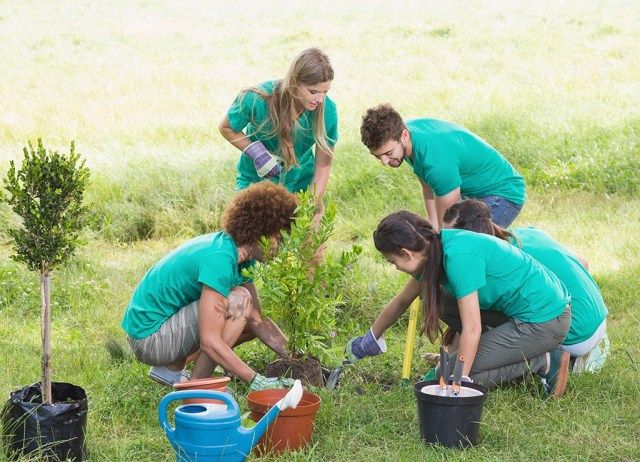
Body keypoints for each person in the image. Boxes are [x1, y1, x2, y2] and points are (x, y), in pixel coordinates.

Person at [346, 210, 572, 397]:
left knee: (445, 379)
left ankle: (542, 361)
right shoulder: (433, 250)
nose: (395, 267)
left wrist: (459, 376)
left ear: (406, 253)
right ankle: (496, 350)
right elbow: (401, 301)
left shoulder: (458, 259)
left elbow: (472, 327)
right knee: (431, 296)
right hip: (519, 312)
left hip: (545, 320)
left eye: (392, 261)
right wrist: (371, 337)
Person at [121, 182, 297, 391]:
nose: (281, 247)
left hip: (162, 329)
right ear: (261, 230)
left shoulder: (240, 255)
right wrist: (256, 380)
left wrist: (297, 357)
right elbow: (209, 340)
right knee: (239, 300)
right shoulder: (220, 259)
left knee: (248, 318)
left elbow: (257, 320)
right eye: (278, 238)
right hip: (149, 338)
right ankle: (197, 386)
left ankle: (171, 370)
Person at [442, 199, 609, 373]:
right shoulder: (526, 233)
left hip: (571, 333)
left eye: (452, 237)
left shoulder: (499, 264)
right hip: (598, 320)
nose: (447, 244)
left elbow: (470, 315)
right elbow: (583, 262)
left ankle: (546, 360)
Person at [359, 104, 525, 230]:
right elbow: (427, 183)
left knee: (465, 247)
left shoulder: (436, 162)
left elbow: (449, 228)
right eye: (377, 156)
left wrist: (440, 236)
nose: (384, 162)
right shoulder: (408, 138)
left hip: (503, 194)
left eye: (388, 153)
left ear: (403, 136)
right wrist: (432, 224)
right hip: (472, 193)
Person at [219, 47, 338, 215]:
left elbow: (323, 165)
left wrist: (309, 204)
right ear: (295, 82)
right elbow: (226, 127)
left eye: (325, 92)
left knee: (310, 238)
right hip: (256, 185)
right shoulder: (257, 99)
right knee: (253, 238)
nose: (320, 99)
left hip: (301, 185)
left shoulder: (328, 111)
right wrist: (255, 152)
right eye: (313, 91)